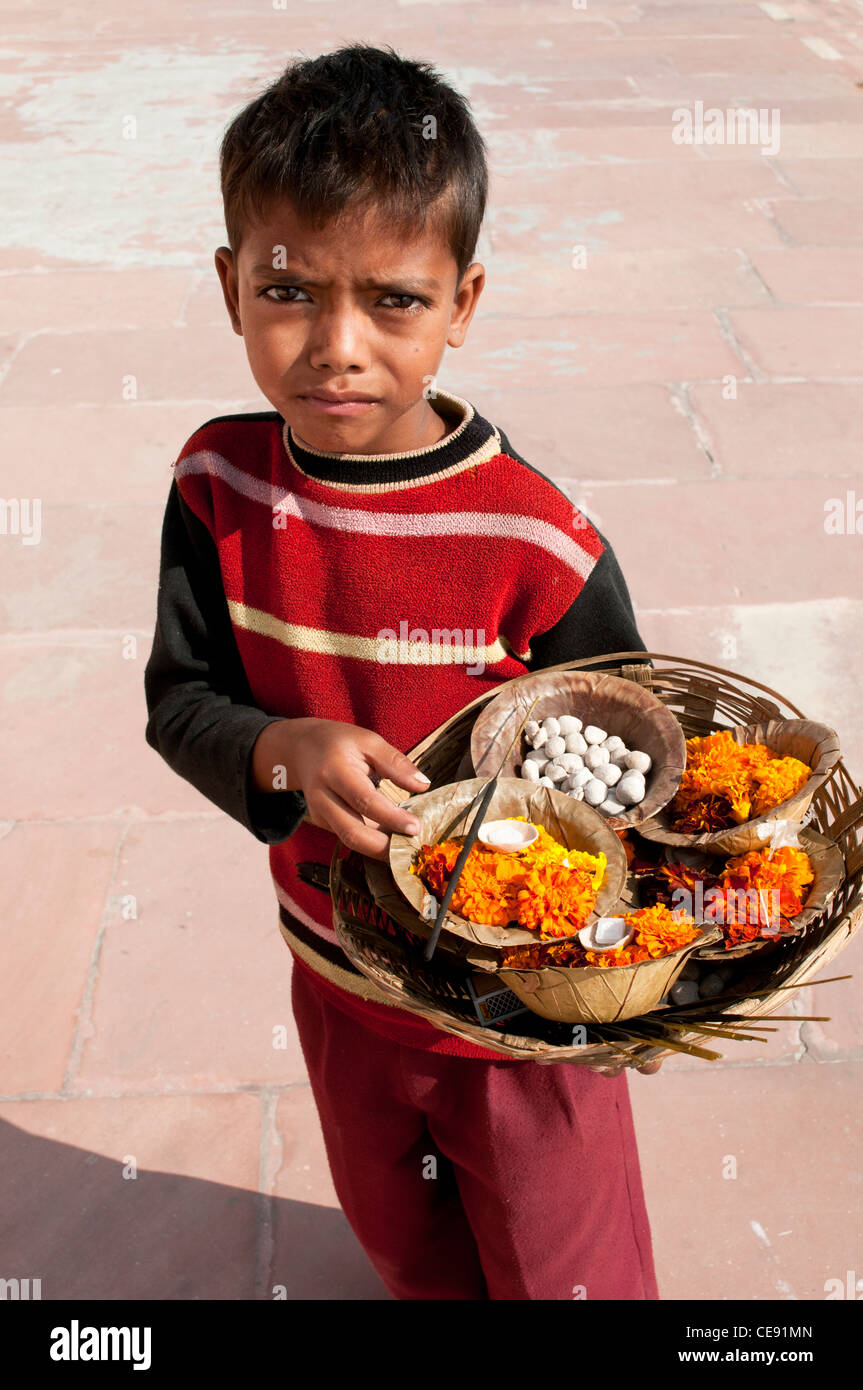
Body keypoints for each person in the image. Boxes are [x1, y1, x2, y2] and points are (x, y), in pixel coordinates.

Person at [144, 42, 660, 1301]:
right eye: (287, 294)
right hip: (337, 975)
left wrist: (618, 962)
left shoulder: (535, 537)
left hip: (517, 1014)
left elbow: (638, 763)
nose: (336, 346)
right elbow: (182, 699)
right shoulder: (218, 489)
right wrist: (280, 748)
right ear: (228, 288)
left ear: (463, 304)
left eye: (392, 299)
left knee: (563, 1266)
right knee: (406, 1242)